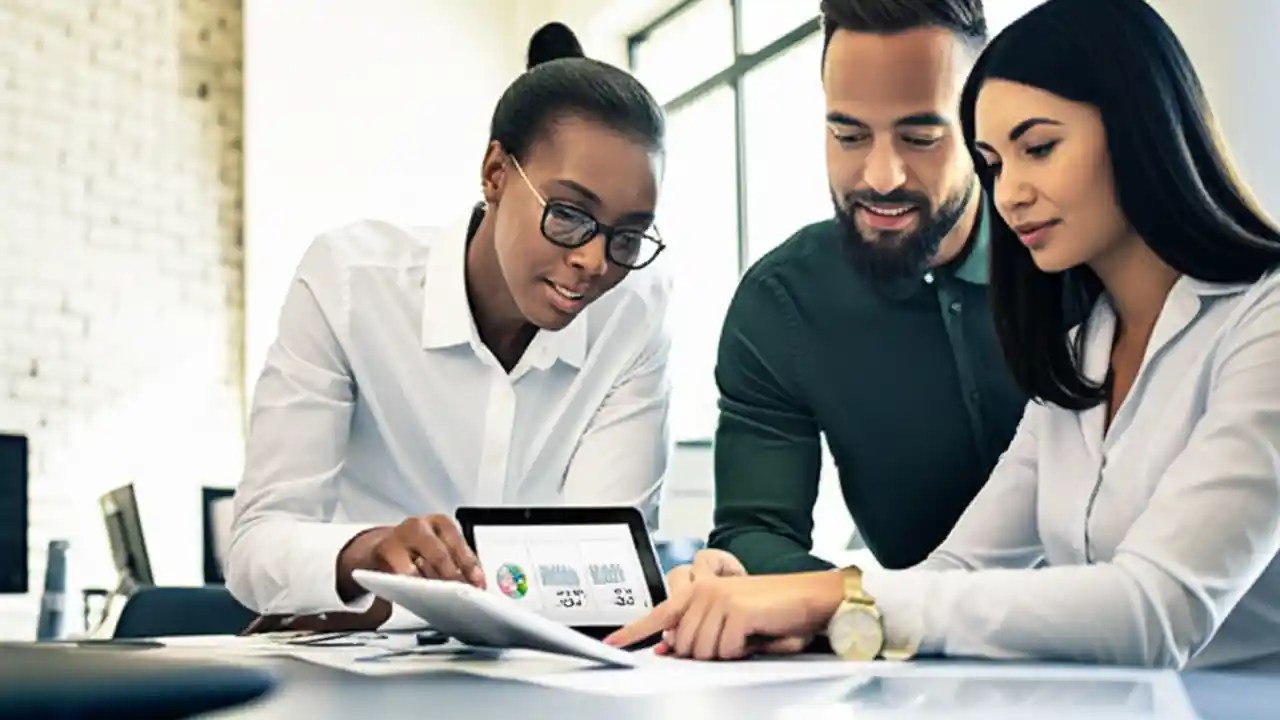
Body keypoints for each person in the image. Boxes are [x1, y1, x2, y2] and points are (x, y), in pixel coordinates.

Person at [606, 0, 1280, 669]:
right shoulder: (1080, 348)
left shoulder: (1262, 321)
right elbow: (951, 572)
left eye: (1038, 148)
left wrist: (827, 598)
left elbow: (1157, 610)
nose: (1010, 192)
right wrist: (814, 610)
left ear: (1142, 128)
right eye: (996, 161)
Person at [227, 23, 673, 625]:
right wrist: (363, 553)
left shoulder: (634, 315)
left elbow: (604, 568)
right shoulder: (351, 283)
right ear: (495, 173)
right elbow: (257, 542)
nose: (594, 261)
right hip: (353, 662)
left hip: (537, 676)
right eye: (569, 215)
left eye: (628, 236)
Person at [708, 0, 1025, 577]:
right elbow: (752, 534)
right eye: (849, 135)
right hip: (911, 649)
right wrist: (855, 607)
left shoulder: (1076, 257)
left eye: (921, 137)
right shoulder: (781, 303)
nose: (882, 177)